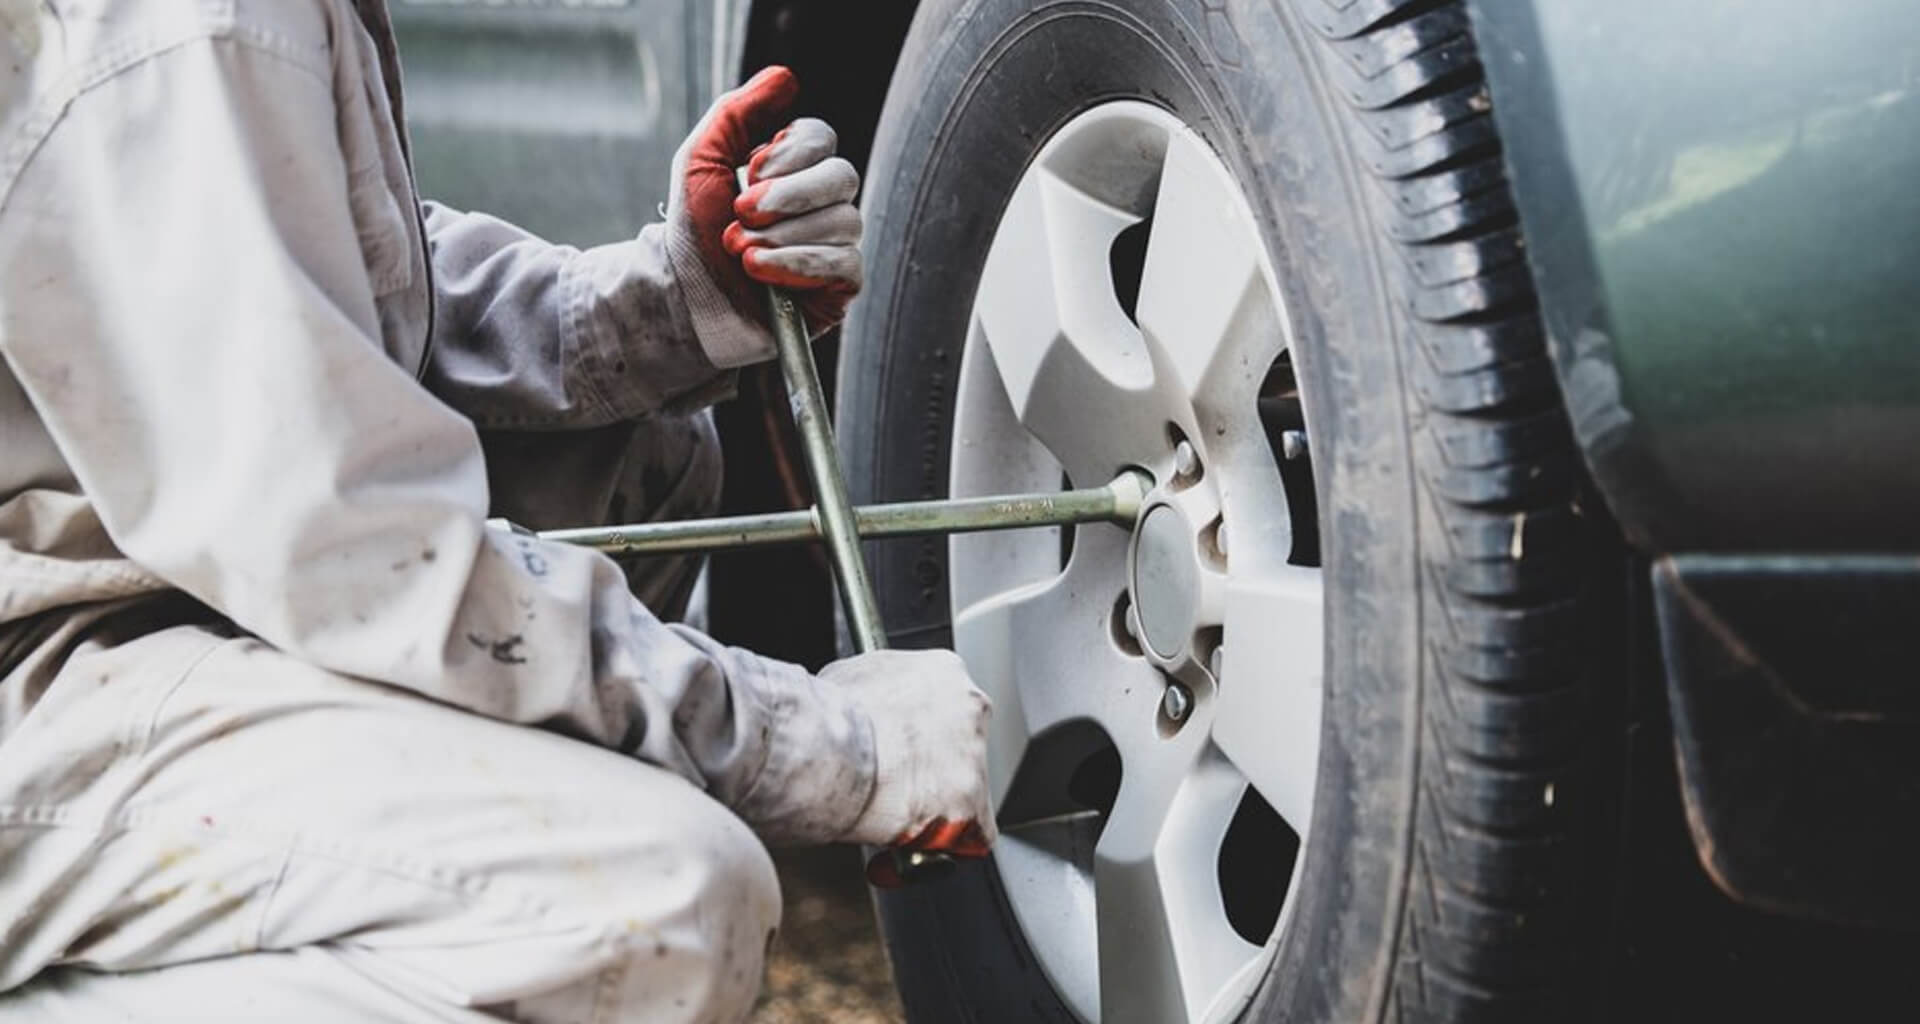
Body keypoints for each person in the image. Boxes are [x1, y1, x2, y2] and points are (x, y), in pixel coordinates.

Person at [0, 1, 994, 1019]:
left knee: (635, 457)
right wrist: (830, 745)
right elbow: (355, 552)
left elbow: (282, 250)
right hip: (33, 689)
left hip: (140, 577)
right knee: (665, 906)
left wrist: (668, 308)